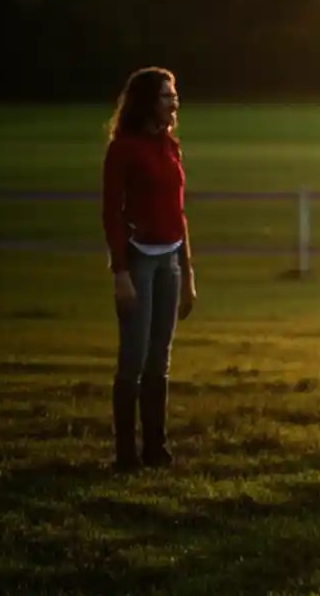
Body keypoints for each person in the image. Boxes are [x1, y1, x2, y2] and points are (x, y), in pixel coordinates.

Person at [101, 67, 197, 472]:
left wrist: (188, 273)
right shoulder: (124, 149)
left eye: (173, 95)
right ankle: (126, 455)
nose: (174, 102)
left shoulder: (169, 146)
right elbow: (111, 213)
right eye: (165, 96)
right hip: (139, 261)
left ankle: (156, 448)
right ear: (146, 102)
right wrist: (120, 272)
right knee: (134, 359)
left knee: (161, 358)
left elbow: (179, 214)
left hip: (170, 261)